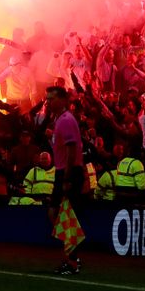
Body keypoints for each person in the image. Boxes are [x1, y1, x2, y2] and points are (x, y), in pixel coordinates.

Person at [50, 87, 86, 275]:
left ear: (63, 100)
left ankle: (72, 261)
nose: (49, 102)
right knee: (57, 213)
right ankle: (72, 256)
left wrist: (67, 178)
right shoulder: (60, 120)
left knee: (65, 215)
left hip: (68, 172)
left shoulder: (65, 120)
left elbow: (72, 150)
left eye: (52, 98)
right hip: (63, 170)